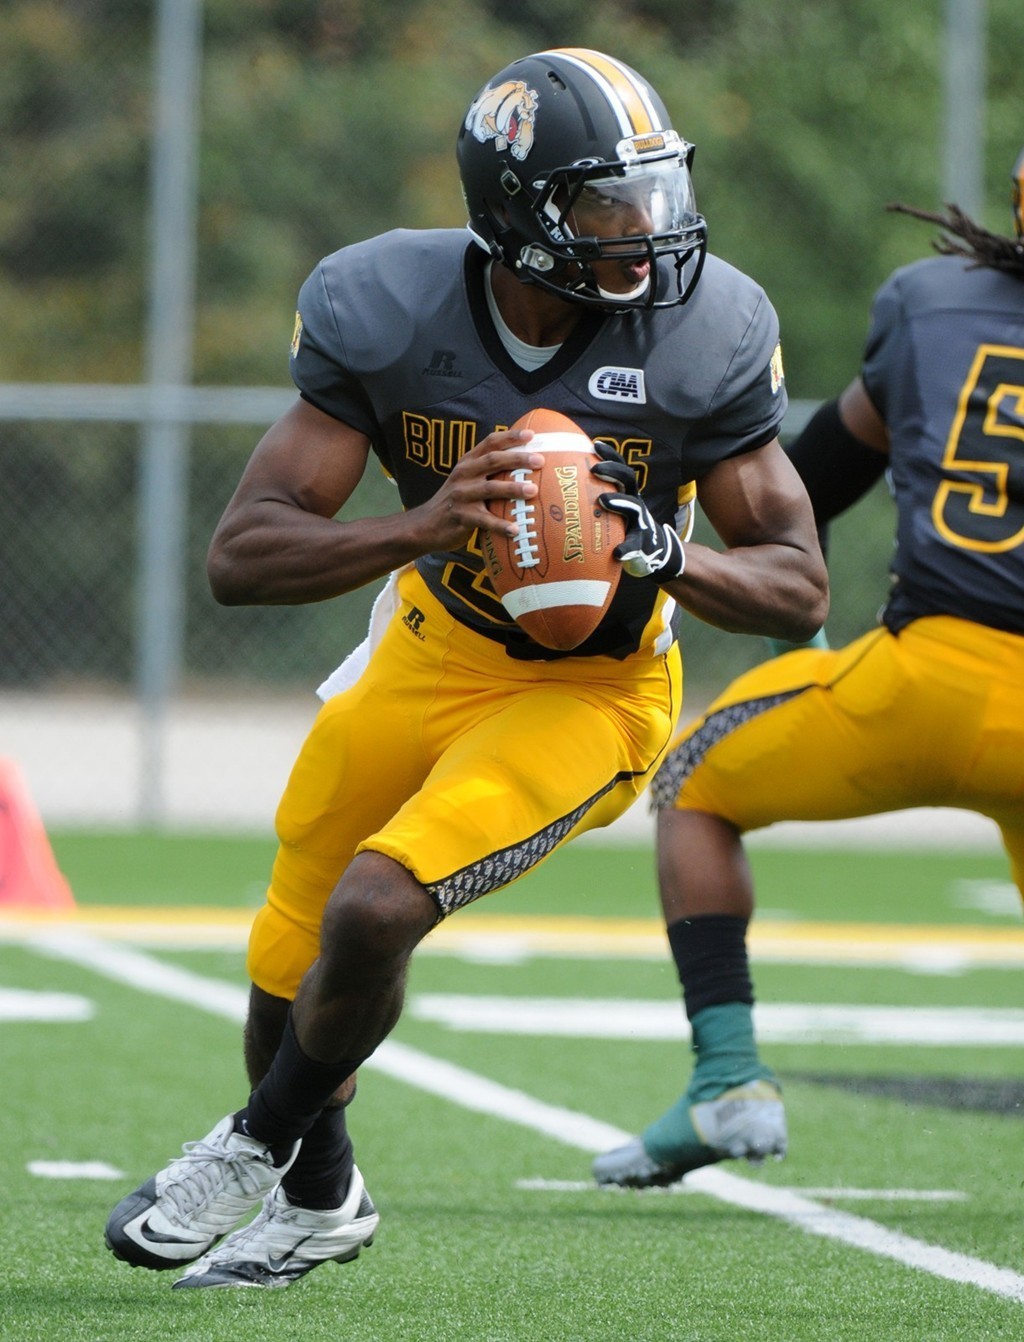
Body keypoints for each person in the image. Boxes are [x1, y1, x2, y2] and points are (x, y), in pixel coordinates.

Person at [103, 47, 826, 1288]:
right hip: (428, 645)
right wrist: (421, 525)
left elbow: (796, 580)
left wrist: (658, 551)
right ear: (520, 213)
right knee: (288, 964)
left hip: (594, 689)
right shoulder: (388, 308)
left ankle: (251, 1144)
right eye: (608, 199)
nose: (645, 228)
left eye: (653, 192)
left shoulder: (702, 332)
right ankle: (322, 1200)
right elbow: (241, 553)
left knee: (377, 907)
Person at [593, 150, 1024, 1189]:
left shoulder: (934, 299)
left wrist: (802, 642)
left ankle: (727, 1077)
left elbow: (823, 472)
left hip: (930, 677)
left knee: (693, 780)